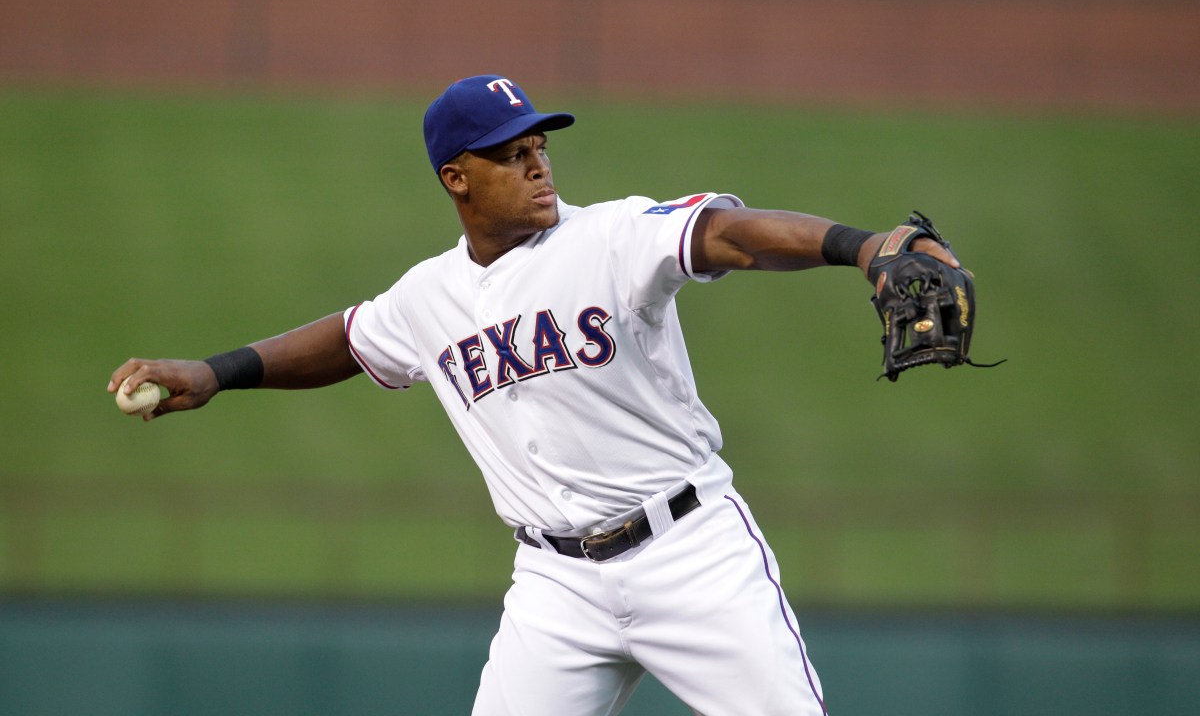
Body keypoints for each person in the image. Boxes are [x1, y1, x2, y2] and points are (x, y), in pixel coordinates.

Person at [109, 74, 960, 715]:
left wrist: (859, 246)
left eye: (541, 146)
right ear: (457, 179)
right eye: (513, 154)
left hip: (689, 553)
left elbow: (728, 235)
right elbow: (347, 337)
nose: (538, 164)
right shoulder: (427, 296)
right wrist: (217, 372)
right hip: (556, 587)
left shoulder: (614, 235)